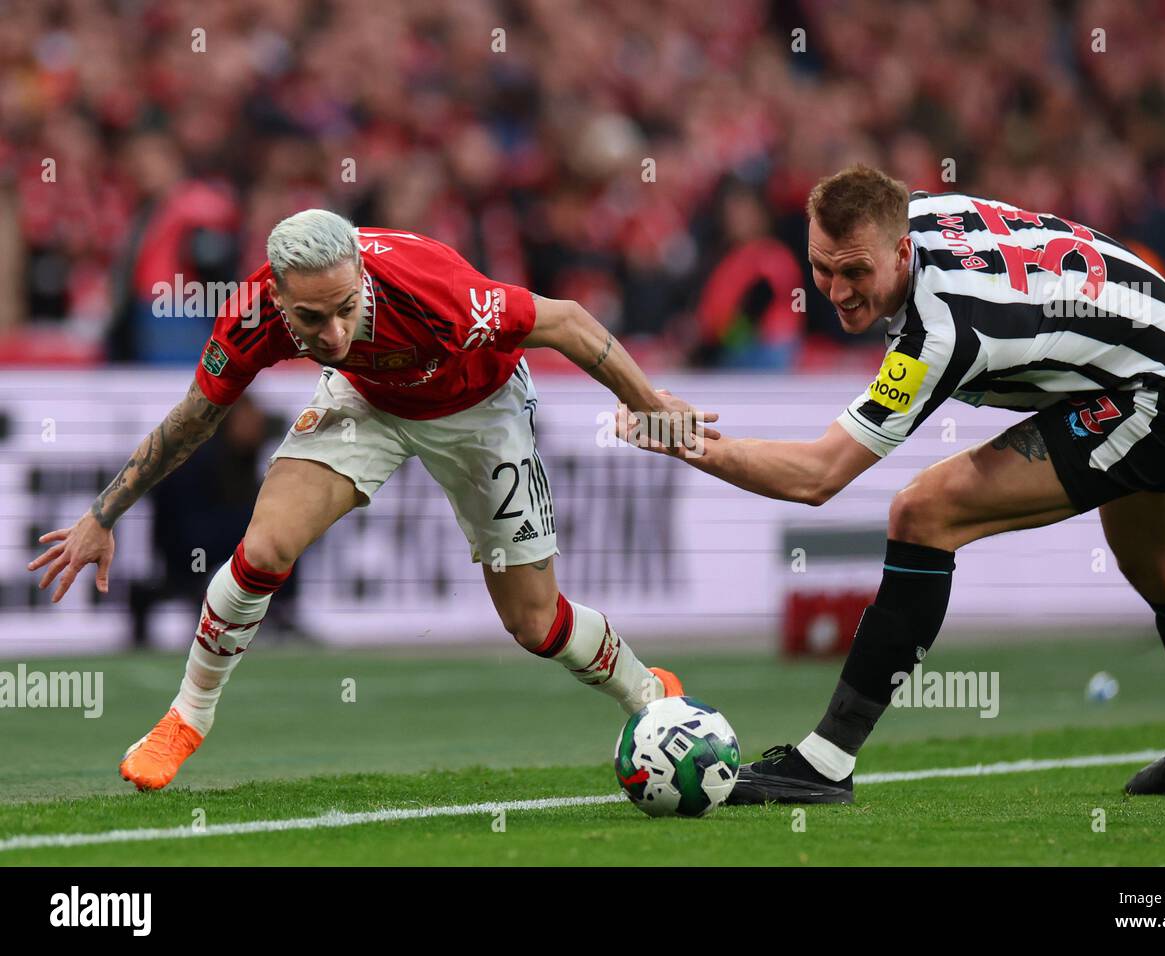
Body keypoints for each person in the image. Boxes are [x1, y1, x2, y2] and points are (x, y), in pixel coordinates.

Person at [622, 165, 1165, 803]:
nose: (837, 290)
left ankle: (825, 762)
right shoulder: (910, 217)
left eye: (855, 273)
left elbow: (816, 477)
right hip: (1160, 352)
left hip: (1156, 393)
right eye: (821, 268)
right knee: (1162, 568)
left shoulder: (944, 328)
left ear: (902, 251)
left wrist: (683, 439)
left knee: (923, 514)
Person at [29, 209, 709, 791]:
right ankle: (186, 717)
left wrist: (648, 403)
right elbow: (191, 422)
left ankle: (649, 695)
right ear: (279, 295)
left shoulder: (436, 292)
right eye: (310, 318)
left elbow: (568, 322)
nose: (330, 335)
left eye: (346, 310)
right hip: (367, 402)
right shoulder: (252, 315)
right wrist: (101, 515)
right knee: (263, 546)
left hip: (481, 406)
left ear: (362, 276)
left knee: (534, 625)